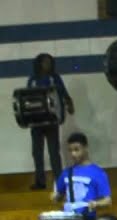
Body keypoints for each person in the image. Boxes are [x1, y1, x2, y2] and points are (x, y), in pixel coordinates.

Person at [27, 53, 74, 190]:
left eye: (49, 62)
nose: (48, 64)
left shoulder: (55, 78)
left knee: (54, 152)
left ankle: (59, 181)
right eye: (45, 62)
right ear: (39, 64)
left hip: (51, 121)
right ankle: (40, 182)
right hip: (36, 122)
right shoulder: (33, 79)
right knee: (37, 153)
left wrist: (69, 103)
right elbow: (27, 98)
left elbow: (63, 92)